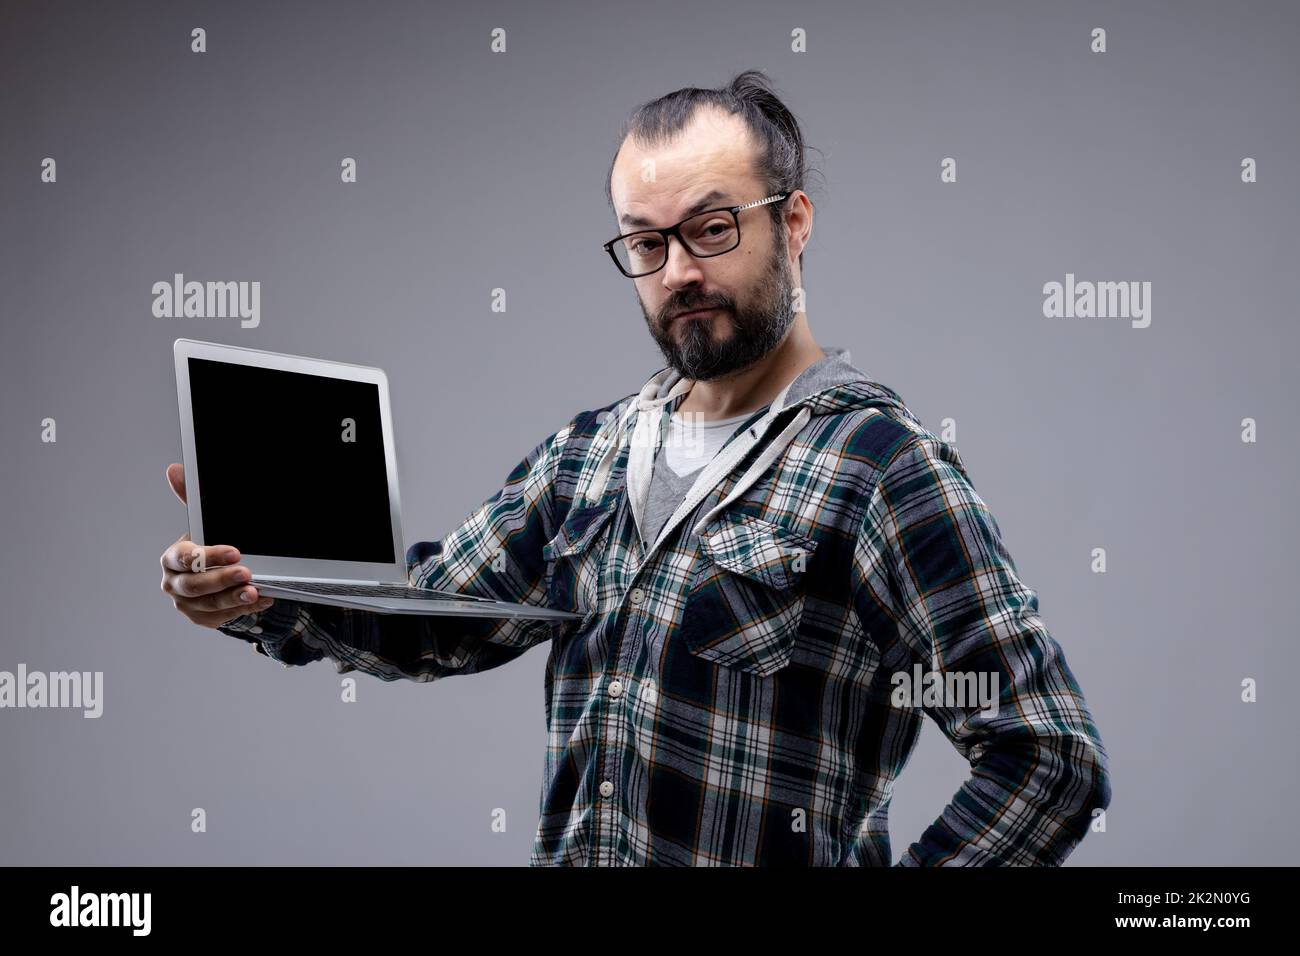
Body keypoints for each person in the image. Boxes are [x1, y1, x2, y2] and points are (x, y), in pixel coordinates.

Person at [159, 70, 1111, 866]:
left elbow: (1047, 758)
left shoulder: (879, 468)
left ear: (795, 222)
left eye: (712, 228)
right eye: (647, 242)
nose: (678, 272)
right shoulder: (590, 456)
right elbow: (433, 620)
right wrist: (256, 587)